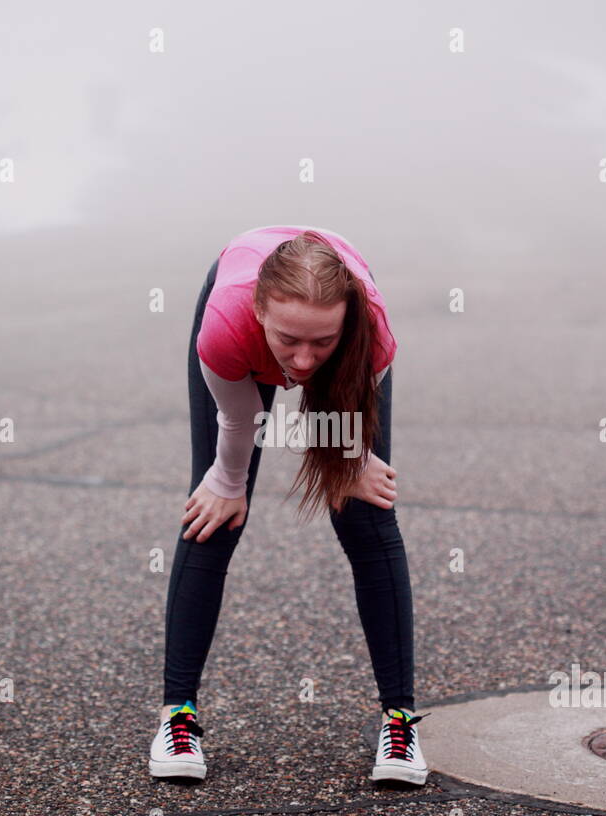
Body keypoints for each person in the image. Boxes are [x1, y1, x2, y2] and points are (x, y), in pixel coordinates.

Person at [149, 225, 429, 786]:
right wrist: (228, 483)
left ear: (346, 322)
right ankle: (176, 717)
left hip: (349, 352)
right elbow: (237, 423)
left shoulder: (370, 338)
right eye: (289, 341)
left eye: (321, 343)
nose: (302, 362)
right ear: (259, 312)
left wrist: (353, 456)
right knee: (216, 514)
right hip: (238, 338)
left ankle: (399, 723)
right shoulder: (227, 329)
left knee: (366, 516)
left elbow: (337, 423)